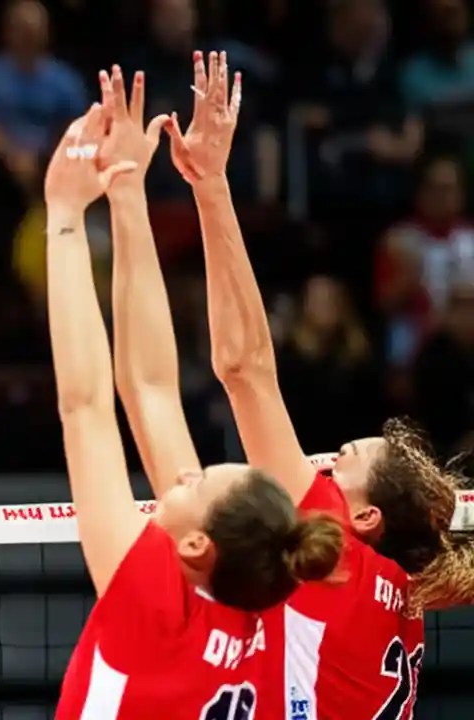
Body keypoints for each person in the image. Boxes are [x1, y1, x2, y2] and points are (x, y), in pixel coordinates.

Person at [163, 50, 472, 719]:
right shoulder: (400, 583)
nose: (320, 468)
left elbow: (244, 369)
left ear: (363, 518)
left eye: (336, 469)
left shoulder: (339, 554)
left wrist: (211, 184)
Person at [42, 101, 342, 719]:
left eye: (201, 481)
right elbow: (151, 390)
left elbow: (87, 407)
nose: (184, 471)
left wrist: (66, 217)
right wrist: (126, 190)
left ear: (198, 542)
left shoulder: (154, 602)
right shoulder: (254, 599)